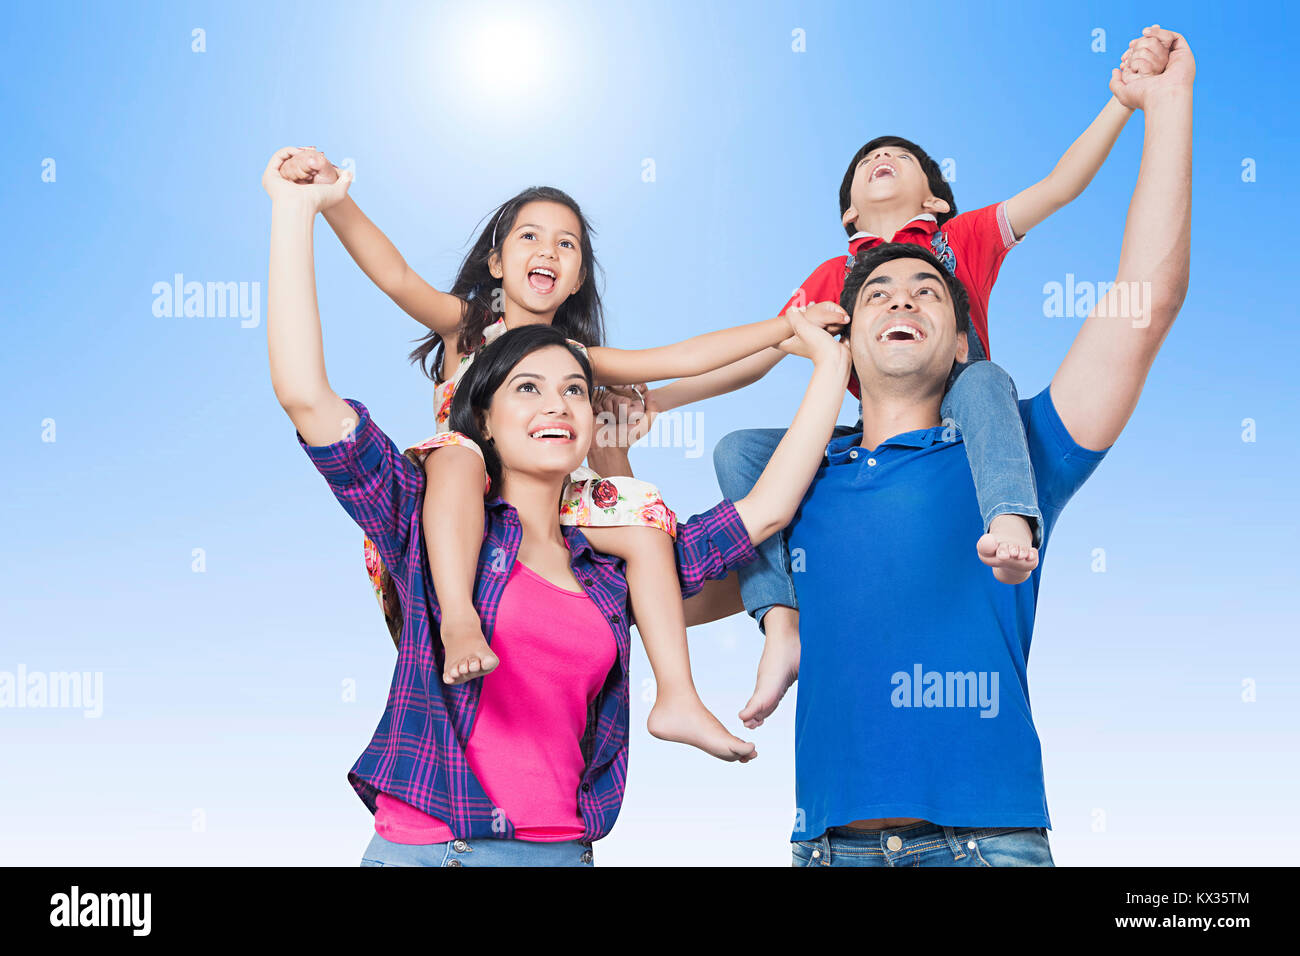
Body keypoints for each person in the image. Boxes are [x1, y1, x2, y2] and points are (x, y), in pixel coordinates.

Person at [261, 146, 855, 865]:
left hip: (557, 837)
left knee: (643, 518)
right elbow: (386, 281)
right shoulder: (468, 327)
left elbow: (687, 368)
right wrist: (324, 203)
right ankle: (456, 619)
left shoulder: (584, 387)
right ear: (496, 261)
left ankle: (677, 692)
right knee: (456, 458)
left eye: (568, 243)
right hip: (456, 485)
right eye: (531, 236)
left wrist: (792, 334)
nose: (550, 250)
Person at [715, 27, 1193, 866]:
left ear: (961, 329)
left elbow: (1143, 305)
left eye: (928, 290)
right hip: (828, 847)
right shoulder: (791, 490)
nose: (902, 298)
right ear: (842, 340)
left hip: (987, 845)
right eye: (878, 294)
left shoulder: (1013, 449)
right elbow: (640, 586)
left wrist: (1163, 107)